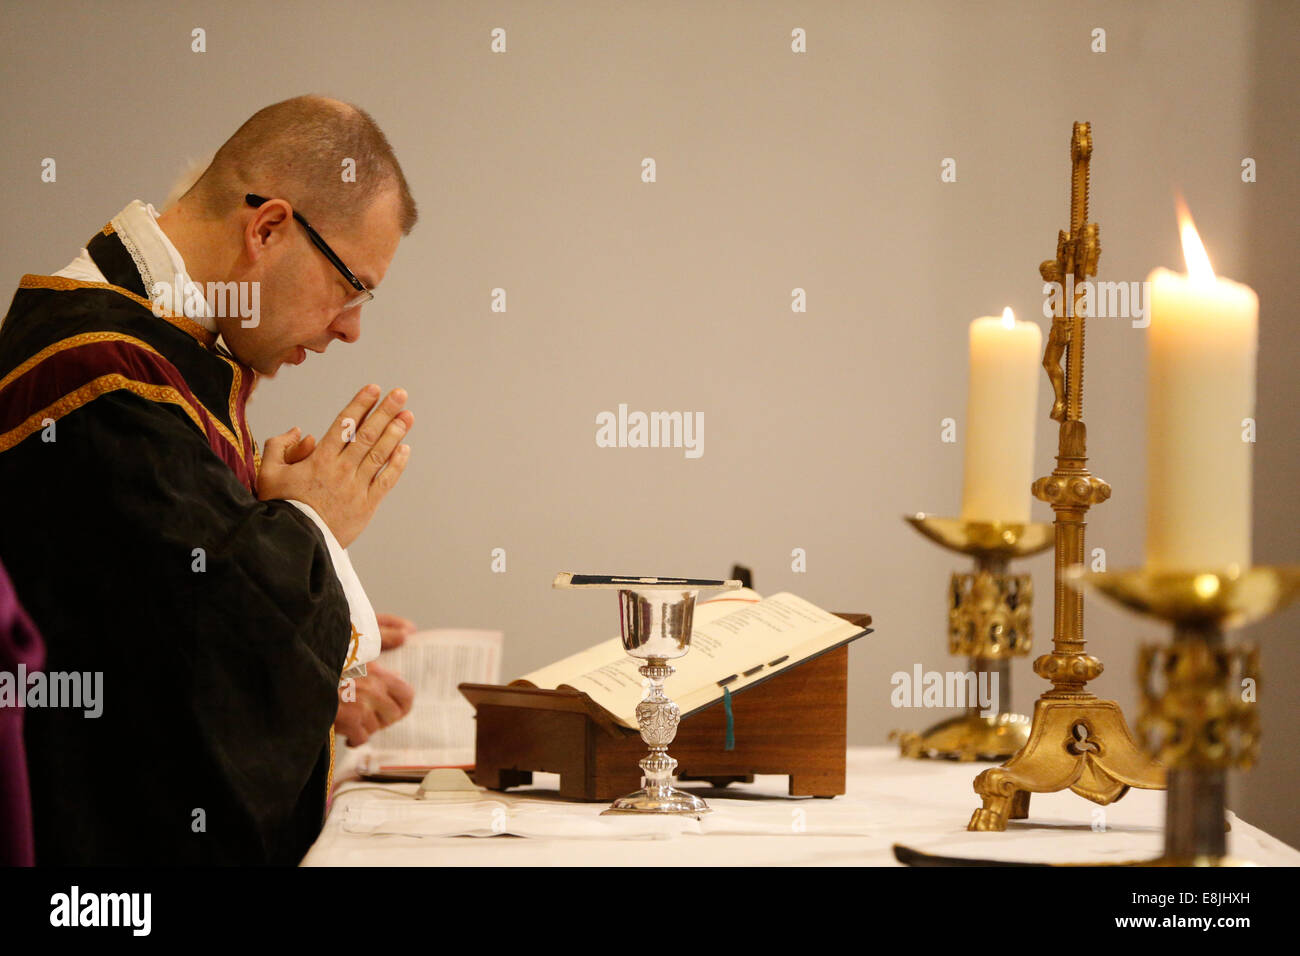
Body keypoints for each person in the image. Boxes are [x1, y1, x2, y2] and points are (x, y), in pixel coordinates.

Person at [0, 94, 417, 864]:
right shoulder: (99, 370)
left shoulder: (166, 350)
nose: (352, 326)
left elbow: (165, 607)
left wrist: (264, 525)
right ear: (268, 228)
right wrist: (312, 529)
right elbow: (181, 691)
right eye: (352, 286)